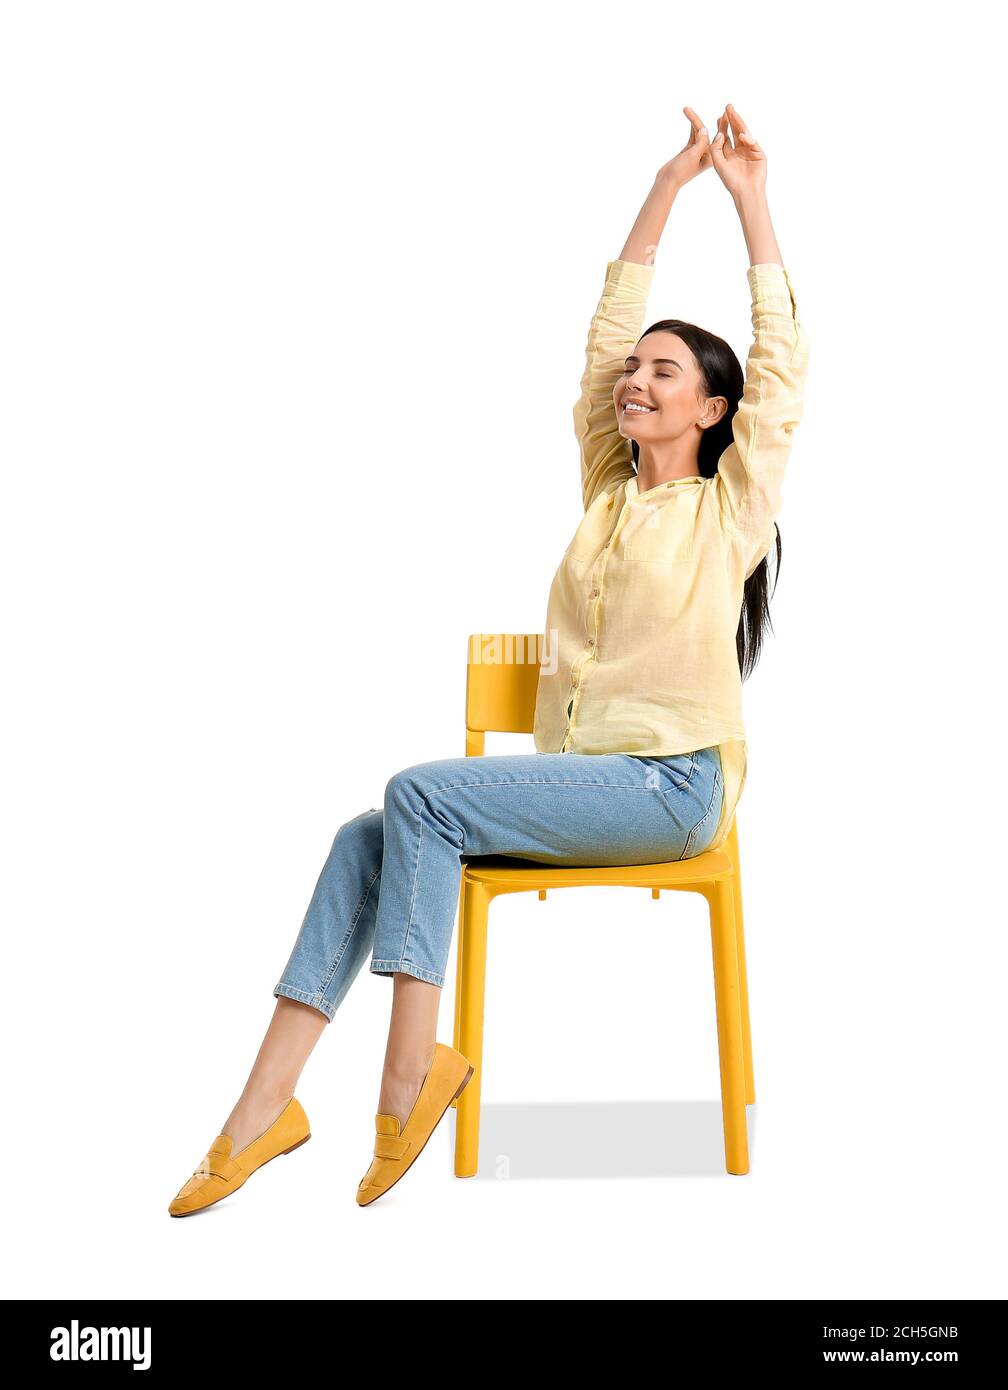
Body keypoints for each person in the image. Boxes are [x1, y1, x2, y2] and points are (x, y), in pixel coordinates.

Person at [168, 102, 810, 1215]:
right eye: (636, 372)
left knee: (420, 795)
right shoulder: (609, 494)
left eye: (666, 374)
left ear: (712, 411)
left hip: (670, 790)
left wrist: (749, 198)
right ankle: (259, 1109)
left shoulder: (730, 510)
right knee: (363, 835)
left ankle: (411, 1078)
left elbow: (784, 369)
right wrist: (666, 188)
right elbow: (606, 334)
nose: (638, 381)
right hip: (585, 784)